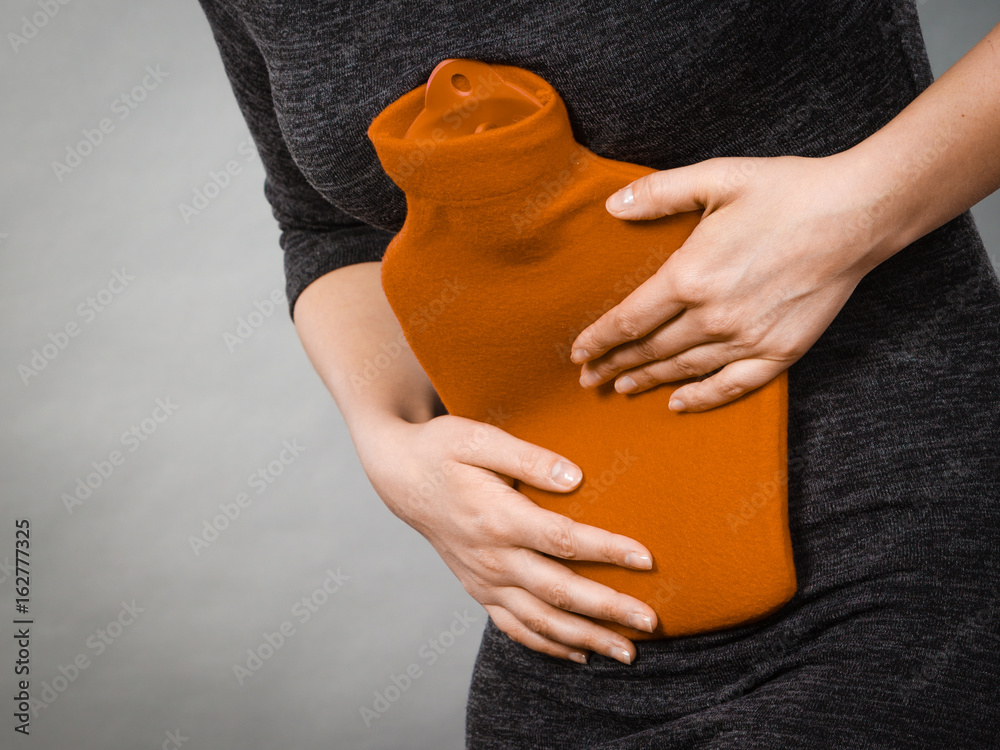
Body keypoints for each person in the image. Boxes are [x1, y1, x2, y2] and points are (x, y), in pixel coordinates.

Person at [196, 1, 1000, 746]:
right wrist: (386, 435)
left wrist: (862, 209)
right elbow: (325, 223)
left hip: (905, 536)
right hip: (572, 624)